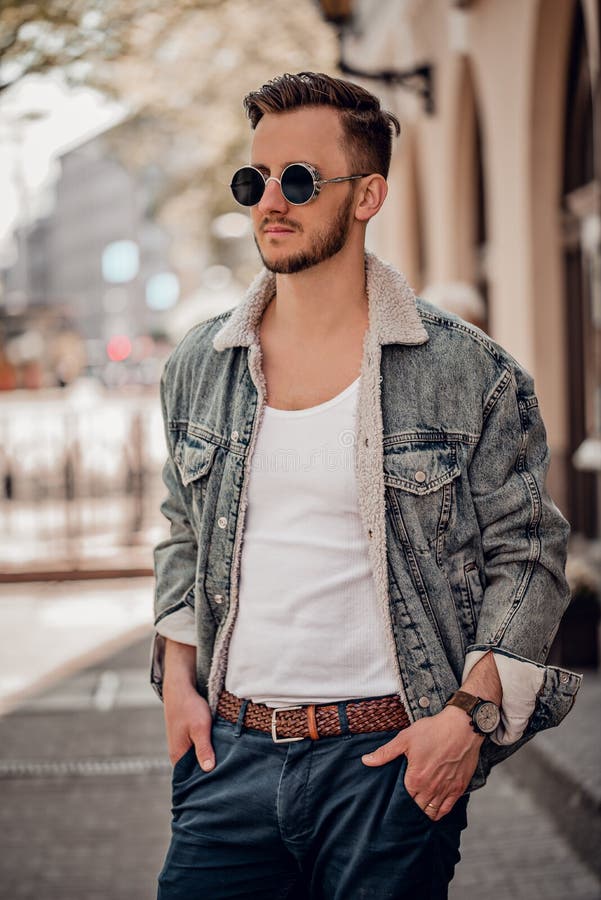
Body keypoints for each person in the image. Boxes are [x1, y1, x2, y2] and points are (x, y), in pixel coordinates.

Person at [151, 71, 581, 899]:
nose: (270, 202)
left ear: (366, 195)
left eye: (300, 180)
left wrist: (464, 721)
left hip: (387, 765)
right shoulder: (197, 368)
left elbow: (527, 556)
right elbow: (181, 529)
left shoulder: (469, 374)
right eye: (255, 181)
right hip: (229, 757)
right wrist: (178, 685)